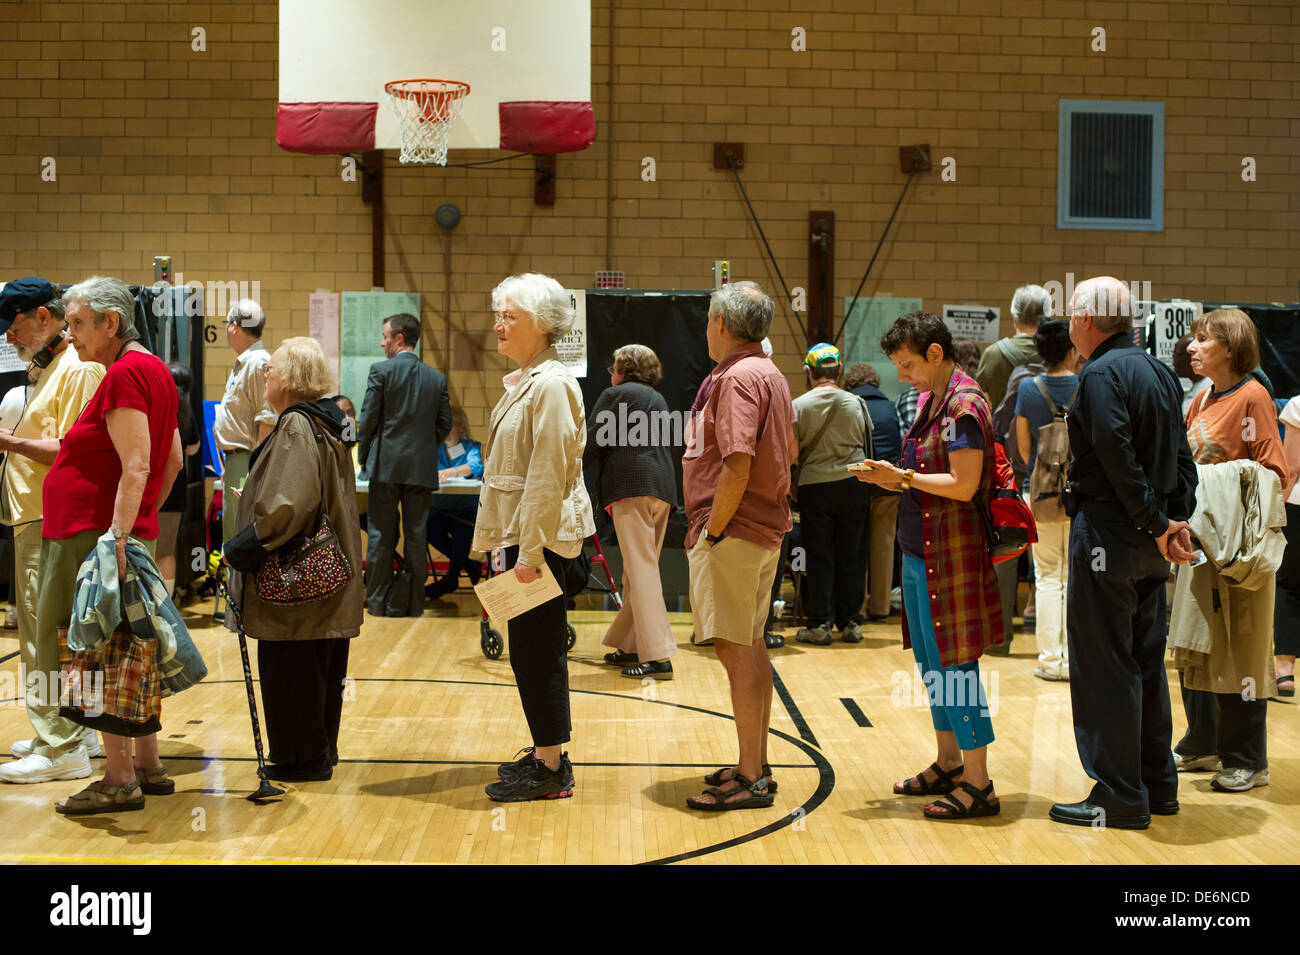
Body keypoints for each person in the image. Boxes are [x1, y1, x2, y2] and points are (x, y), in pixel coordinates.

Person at [27, 276, 183, 811]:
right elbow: (174, 461)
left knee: (95, 653)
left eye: (75, 323)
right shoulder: (154, 370)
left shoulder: (123, 373)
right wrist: (139, 523)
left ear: (110, 323)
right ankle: (147, 764)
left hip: (91, 536)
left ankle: (118, 779)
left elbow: (138, 464)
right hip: (112, 531)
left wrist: (118, 534)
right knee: (130, 651)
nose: (68, 335)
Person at [1049, 276, 1198, 831]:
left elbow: (1113, 450)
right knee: (1143, 661)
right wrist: (1173, 518)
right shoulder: (1160, 369)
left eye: (1071, 314)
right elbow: (1183, 454)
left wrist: (1155, 520)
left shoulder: (1100, 373)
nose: (1068, 323)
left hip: (1112, 532)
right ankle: (1156, 786)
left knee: (1105, 666)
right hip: (1149, 534)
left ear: (1087, 320)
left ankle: (1118, 794)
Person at [854, 310, 1004, 820]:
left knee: (957, 665)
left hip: (952, 553)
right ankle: (948, 762)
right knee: (931, 664)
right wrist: (895, 478)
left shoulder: (964, 404)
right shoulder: (931, 399)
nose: (903, 375)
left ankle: (979, 782)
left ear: (935, 354)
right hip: (921, 552)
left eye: (908, 364)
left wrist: (900, 478)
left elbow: (963, 485)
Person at [473, 273, 595, 802]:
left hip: (539, 543)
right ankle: (547, 755)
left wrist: (528, 554)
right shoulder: (529, 379)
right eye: (497, 314)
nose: (498, 325)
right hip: (526, 539)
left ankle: (550, 769)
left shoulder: (549, 384)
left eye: (510, 316)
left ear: (541, 325)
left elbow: (547, 474)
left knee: (538, 654)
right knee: (529, 652)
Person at [224, 337, 363, 782]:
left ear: (288, 378)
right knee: (320, 667)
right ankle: (319, 750)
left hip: (295, 578)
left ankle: (302, 759)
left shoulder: (295, 425)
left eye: (272, 369)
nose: (266, 376)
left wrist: (244, 543)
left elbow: (289, 505)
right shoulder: (328, 420)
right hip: (328, 571)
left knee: (291, 667)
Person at [682, 281, 792, 811]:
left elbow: (738, 461)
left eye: (708, 319)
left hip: (737, 531)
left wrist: (715, 529)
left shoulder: (739, 377)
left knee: (736, 651)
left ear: (721, 324)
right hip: (758, 528)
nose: (706, 328)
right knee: (749, 648)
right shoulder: (765, 371)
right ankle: (755, 763)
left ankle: (751, 778)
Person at [1169, 309, 1287, 793]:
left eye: (1203, 339)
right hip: (1201, 545)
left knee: (1241, 650)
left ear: (1232, 347)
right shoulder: (1201, 398)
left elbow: (1274, 473)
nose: (1192, 348)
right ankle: (1204, 741)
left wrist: (1214, 487)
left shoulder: (1254, 396)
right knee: (1195, 646)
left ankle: (1247, 759)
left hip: (1237, 550)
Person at [0, 278, 106, 782]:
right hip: (34, 517)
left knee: (46, 638)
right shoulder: (49, 369)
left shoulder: (78, 369)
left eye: (15, 325)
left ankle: (61, 746)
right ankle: (72, 731)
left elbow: (73, 448)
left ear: (45, 317)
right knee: (52, 634)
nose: (9, 337)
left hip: (51, 518)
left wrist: (6, 441)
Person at [585, 344, 679, 679]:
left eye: (613, 366)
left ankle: (659, 656)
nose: (610, 372)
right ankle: (630, 644)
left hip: (630, 488)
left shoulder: (616, 394)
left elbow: (591, 442)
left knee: (640, 571)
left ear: (623, 369)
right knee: (639, 571)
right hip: (663, 490)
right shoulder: (658, 398)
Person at [357, 312, 452, 617]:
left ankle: (377, 604)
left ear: (399, 339)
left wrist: (364, 457)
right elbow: (444, 424)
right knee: (416, 535)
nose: (382, 342)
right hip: (421, 469)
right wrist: (425, 448)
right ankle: (413, 604)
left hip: (385, 466)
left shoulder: (380, 372)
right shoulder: (436, 379)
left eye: (385, 336)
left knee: (380, 535)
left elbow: (368, 420)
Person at [1012, 320, 1078, 681]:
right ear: (1073, 349)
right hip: (1081, 495)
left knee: (1048, 576)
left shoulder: (1028, 389)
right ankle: (1074, 659)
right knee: (1076, 578)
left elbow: (1024, 451)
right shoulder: (1086, 386)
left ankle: (1051, 661)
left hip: (1039, 493)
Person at [792, 342, 870, 645]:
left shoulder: (799, 406)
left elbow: (792, 454)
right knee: (852, 553)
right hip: (854, 483)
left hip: (815, 487)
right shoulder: (856, 403)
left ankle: (820, 623)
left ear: (809, 372)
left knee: (819, 555)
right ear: (839, 370)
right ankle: (851, 622)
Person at [212, 299, 276, 547]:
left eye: (226, 322)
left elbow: (268, 420)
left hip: (248, 461)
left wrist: (253, 470)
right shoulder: (246, 362)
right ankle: (235, 586)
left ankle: (240, 587)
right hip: (239, 460)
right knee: (233, 531)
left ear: (235, 326)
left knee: (239, 535)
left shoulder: (257, 363)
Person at [845, 362, 903, 622]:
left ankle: (856, 606)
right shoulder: (891, 406)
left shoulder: (850, 405)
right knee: (884, 544)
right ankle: (880, 607)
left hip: (860, 481)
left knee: (856, 545)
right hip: (890, 484)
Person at [425, 405, 485, 598]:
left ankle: (451, 578)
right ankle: (468, 564)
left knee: (462, 533)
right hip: (441, 508)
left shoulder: (471, 446)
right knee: (427, 528)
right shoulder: (434, 449)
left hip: (466, 508)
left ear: (460, 427)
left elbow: (475, 467)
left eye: (452, 426)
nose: (448, 431)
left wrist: (450, 472)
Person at [156, 361, 202, 599]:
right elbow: (194, 449)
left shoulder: (159, 406)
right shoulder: (186, 411)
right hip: (177, 489)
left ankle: (151, 604)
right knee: (166, 550)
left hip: (153, 485)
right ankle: (167, 604)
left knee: (149, 550)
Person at [976, 284, 1051, 410]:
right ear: (1047, 318)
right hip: (1050, 430)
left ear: (1014, 318)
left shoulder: (993, 354)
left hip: (1001, 429)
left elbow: (978, 400)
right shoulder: (1059, 354)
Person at [1275, 393, 1300, 698]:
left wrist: (1274, 509)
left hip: (1298, 506)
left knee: (1290, 585)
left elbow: (1291, 469)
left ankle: (1285, 672)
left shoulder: (1297, 405)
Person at [1172, 333, 1211, 417]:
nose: (1174, 361)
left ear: (1191, 357)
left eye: (1177, 355)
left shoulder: (1210, 391)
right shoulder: (1197, 386)